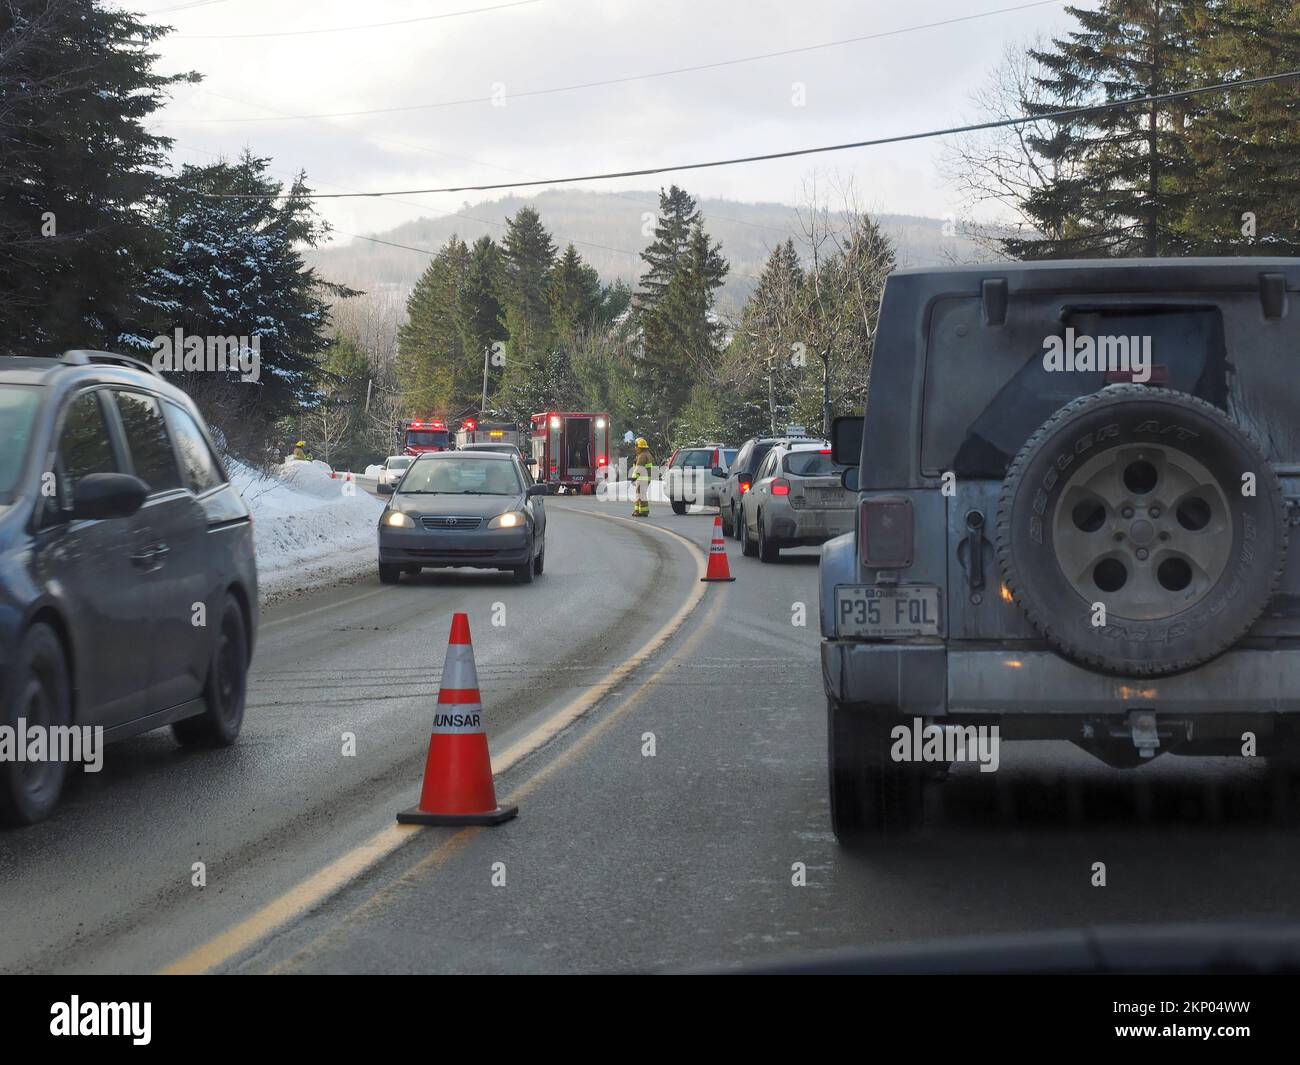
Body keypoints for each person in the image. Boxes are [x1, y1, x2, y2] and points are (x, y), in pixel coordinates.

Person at [629, 437, 653, 517]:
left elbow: (639, 468)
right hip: (646, 478)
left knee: (640, 494)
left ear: (640, 447)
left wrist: (634, 477)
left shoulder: (642, 456)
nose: (635, 448)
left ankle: (643, 511)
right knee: (640, 494)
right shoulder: (647, 454)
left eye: (636, 446)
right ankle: (638, 510)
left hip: (642, 478)